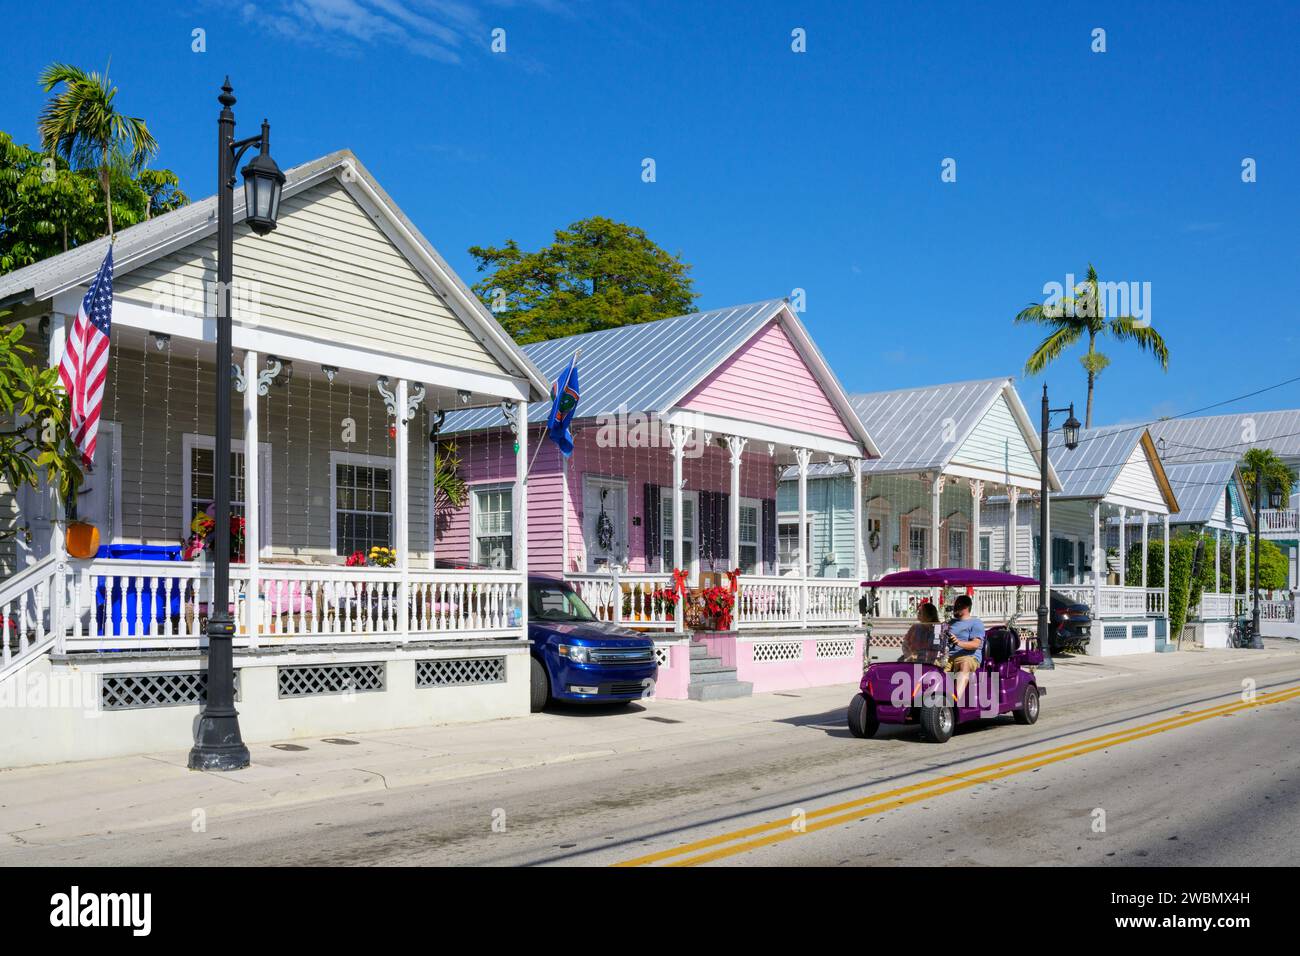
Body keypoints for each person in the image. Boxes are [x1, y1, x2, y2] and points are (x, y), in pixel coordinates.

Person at [947, 594, 985, 705]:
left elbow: (975, 644)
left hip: (969, 657)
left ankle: (953, 704)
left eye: (957, 605)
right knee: (930, 667)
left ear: (966, 607)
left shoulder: (975, 622)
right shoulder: (949, 623)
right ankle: (919, 702)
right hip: (948, 657)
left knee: (965, 664)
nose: (954, 607)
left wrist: (958, 642)